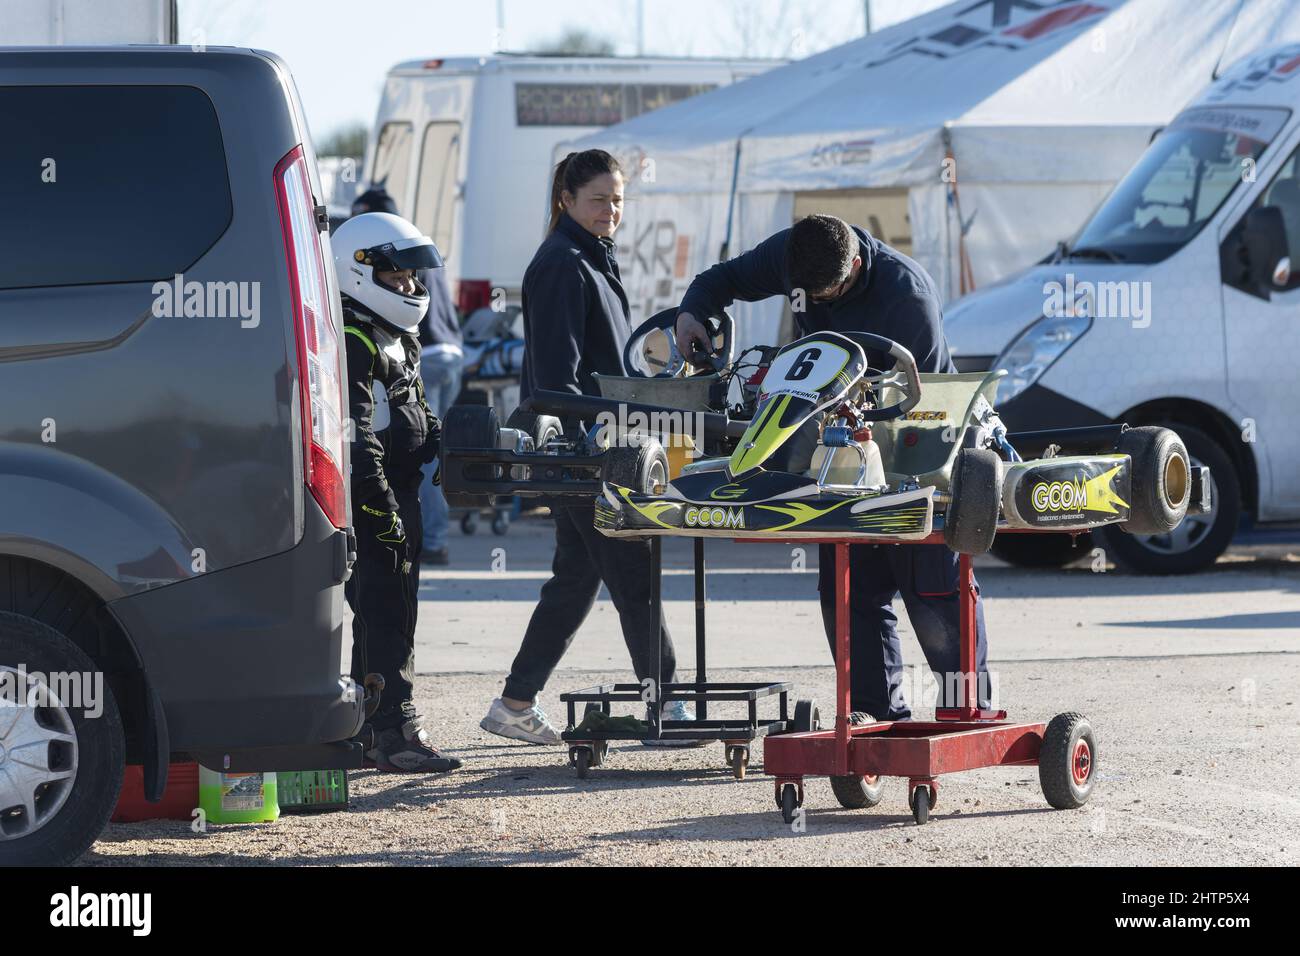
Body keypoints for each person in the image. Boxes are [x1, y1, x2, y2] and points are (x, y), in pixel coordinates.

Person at [674, 214, 991, 721]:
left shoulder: (907, 297)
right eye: (807, 296)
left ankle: (967, 710)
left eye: (828, 293)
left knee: (933, 590)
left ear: (857, 265)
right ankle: (874, 714)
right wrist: (692, 311)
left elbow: (923, 405)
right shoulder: (793, 253)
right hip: (838, 449)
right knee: (850, 591)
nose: (817, 303)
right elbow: (719, 280)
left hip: (916, 445)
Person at [479, 149, 694, 746]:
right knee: (635, 574)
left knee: (577, 578)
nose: (611, 210)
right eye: (598, 199)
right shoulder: (561, 265)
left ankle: (515, 703)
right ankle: (666, 704)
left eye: (618, 199)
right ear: (566, 200)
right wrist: (590, 452)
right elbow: (557, 379)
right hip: (588, 453)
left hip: (597, 447)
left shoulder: (590, 258)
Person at [334, 211, 461, 772]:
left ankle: (365, 726)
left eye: (413, 278)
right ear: (361, 271)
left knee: (390, 614)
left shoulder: (395, 336)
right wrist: (380, 507)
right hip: (372, 501)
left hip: (400, 495)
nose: (411, 288)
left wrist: (450, 442)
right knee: (386, 615)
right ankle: (394, 733)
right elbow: (357, 438)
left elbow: (413, 416)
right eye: (399, 277)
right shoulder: (355, 339)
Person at [417, 265, 463, 566]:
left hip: (428, 356)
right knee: (440, 451)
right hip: (454, 355)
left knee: (424, 454)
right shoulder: (430, 257)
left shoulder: (396, 251)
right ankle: (436, 534)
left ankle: (433, 541)